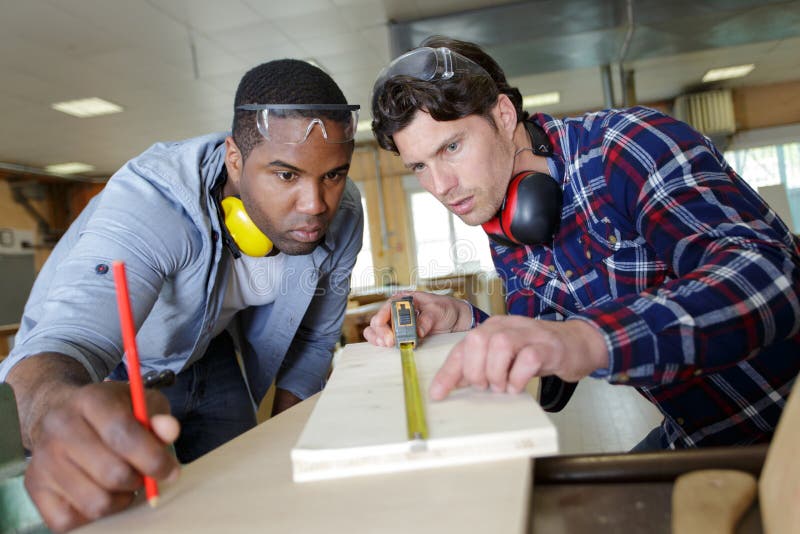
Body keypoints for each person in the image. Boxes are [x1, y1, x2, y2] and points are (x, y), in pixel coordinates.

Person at [366, 35, 800, 453]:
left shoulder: (627, 146)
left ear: (502, 115)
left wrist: (586, 340)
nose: (441, 186)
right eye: (420, 166)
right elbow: (550, 380)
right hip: (705, 437)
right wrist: (464, 321)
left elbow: (772, 281)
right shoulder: (504, 216)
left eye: (453, 147)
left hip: (783, 422)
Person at [0, 59, 363, 532]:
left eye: (333, 175)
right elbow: (67, 340)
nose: (316, 205)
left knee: (244, 500)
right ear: (235, 159)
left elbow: (315, 340)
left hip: (210, 357)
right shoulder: (153, 203)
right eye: (286, 175)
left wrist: (287, 449)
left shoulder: (345, 213)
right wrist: (53, 412)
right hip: (116, 377)